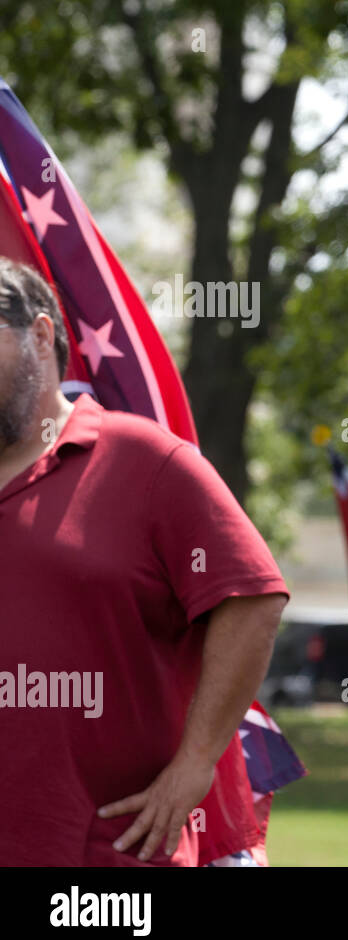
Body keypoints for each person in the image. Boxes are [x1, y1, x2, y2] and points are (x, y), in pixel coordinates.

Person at [0, 257, 288, 865]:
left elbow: (252, 599)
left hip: (111, 854)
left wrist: (196, 762)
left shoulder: (143, 459)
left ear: (42, 334)